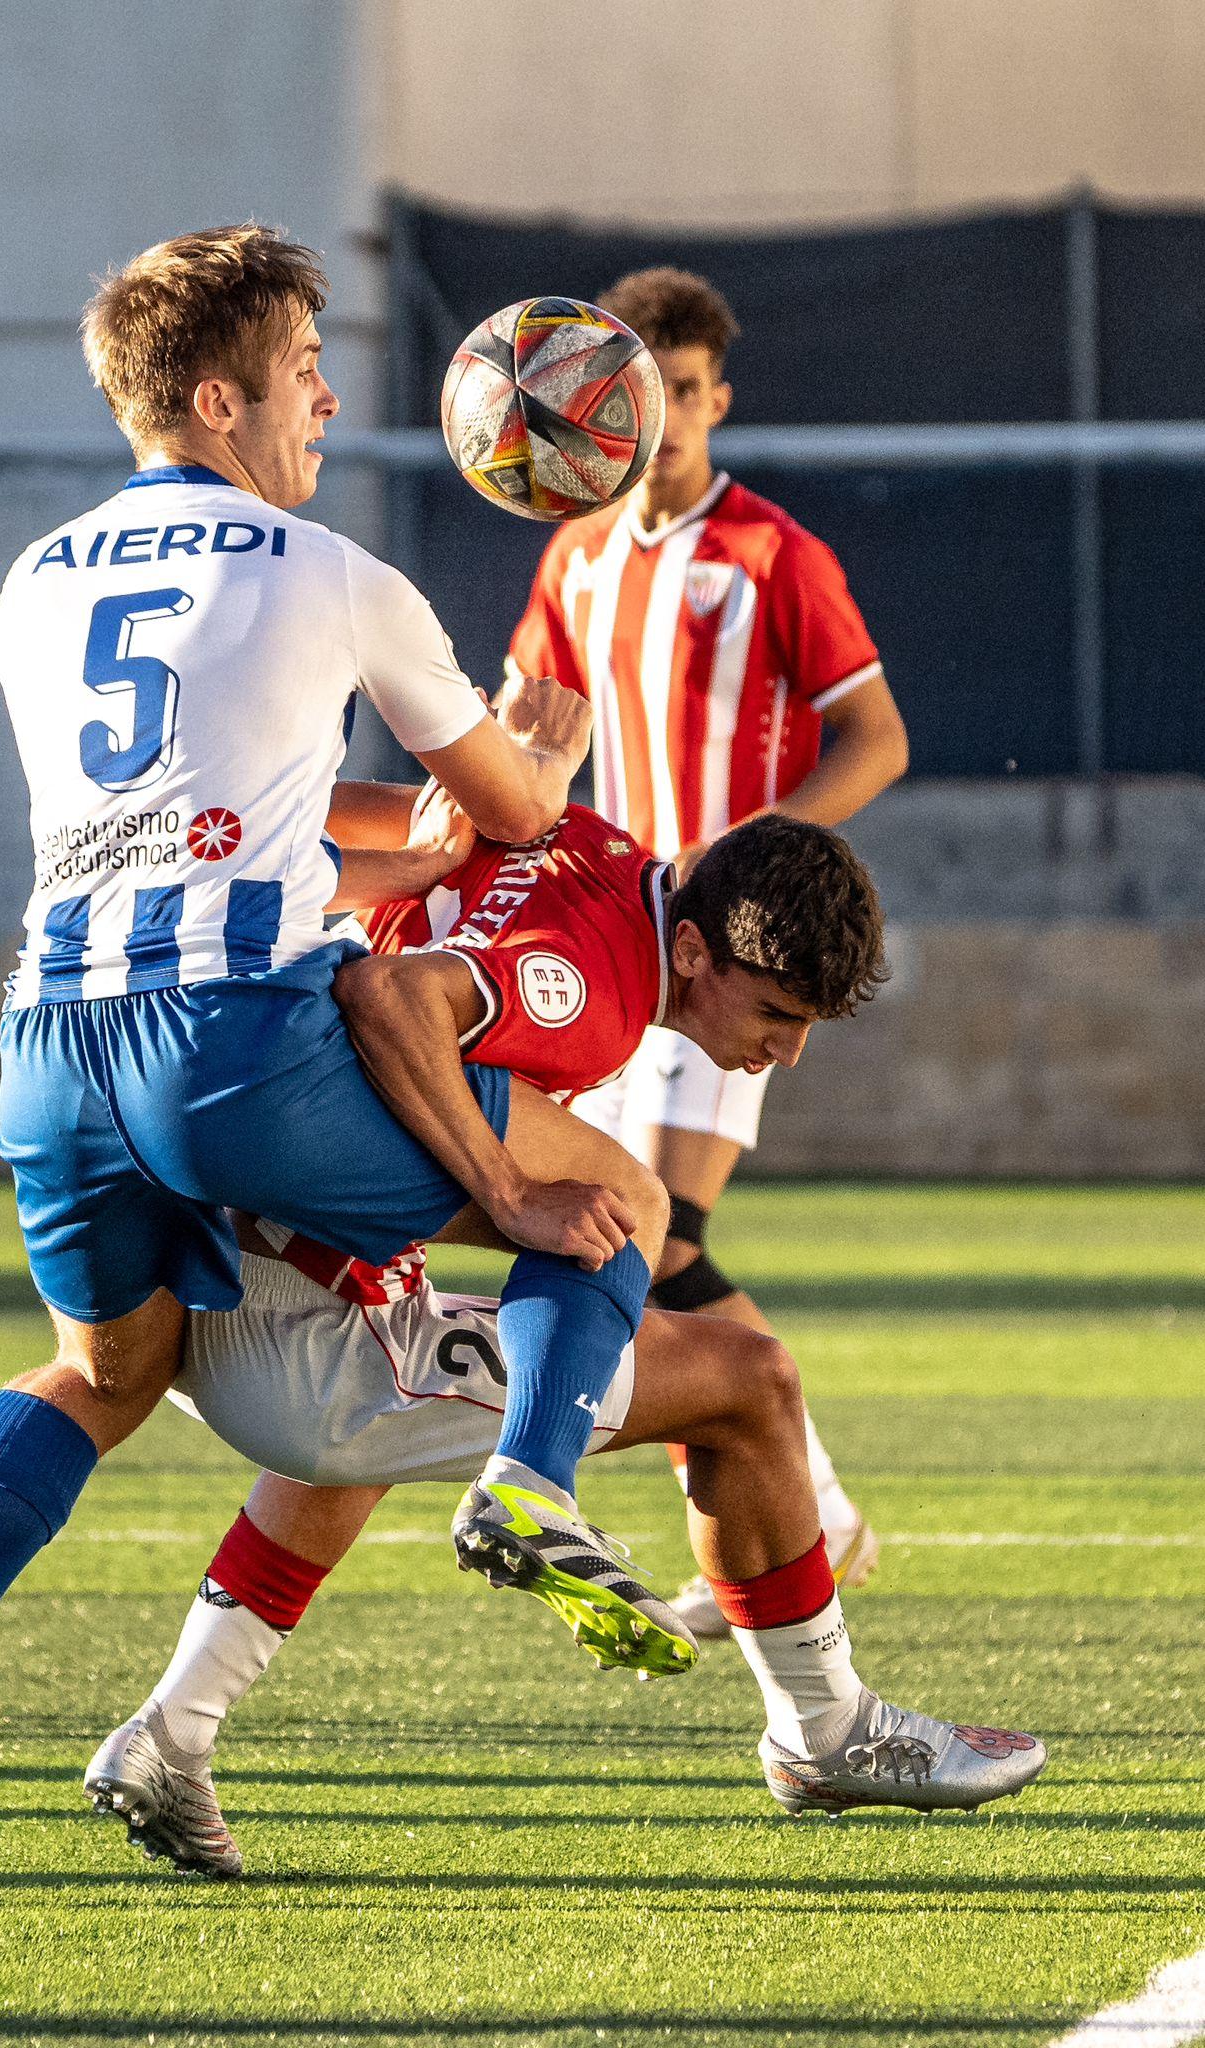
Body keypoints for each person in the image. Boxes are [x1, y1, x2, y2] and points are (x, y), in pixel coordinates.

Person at [0, 227, 690, 1888]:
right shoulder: (329, 570)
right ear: (218, 397)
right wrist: (534, 759)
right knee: (612, 1192)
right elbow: (509, 813)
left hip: (51, 1042)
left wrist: (400, 848)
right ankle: (525, 1482)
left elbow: (209, 817)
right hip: (227, 1047)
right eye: (299, 372)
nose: (325, 401)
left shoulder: (37, 577)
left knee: (100, 1373)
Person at [507, 266, 912, 1631]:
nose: (662, 417)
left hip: (717, 960)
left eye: (683, 392)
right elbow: (532, 729)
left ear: (715, 398)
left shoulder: (771, 557)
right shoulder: (570, 556)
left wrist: (759, 877)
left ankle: (804, 1501)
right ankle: (805, 1502)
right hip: (612, 943)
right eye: (639, 392)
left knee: (656, 1233)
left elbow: (879, 737)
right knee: (628, 1234)